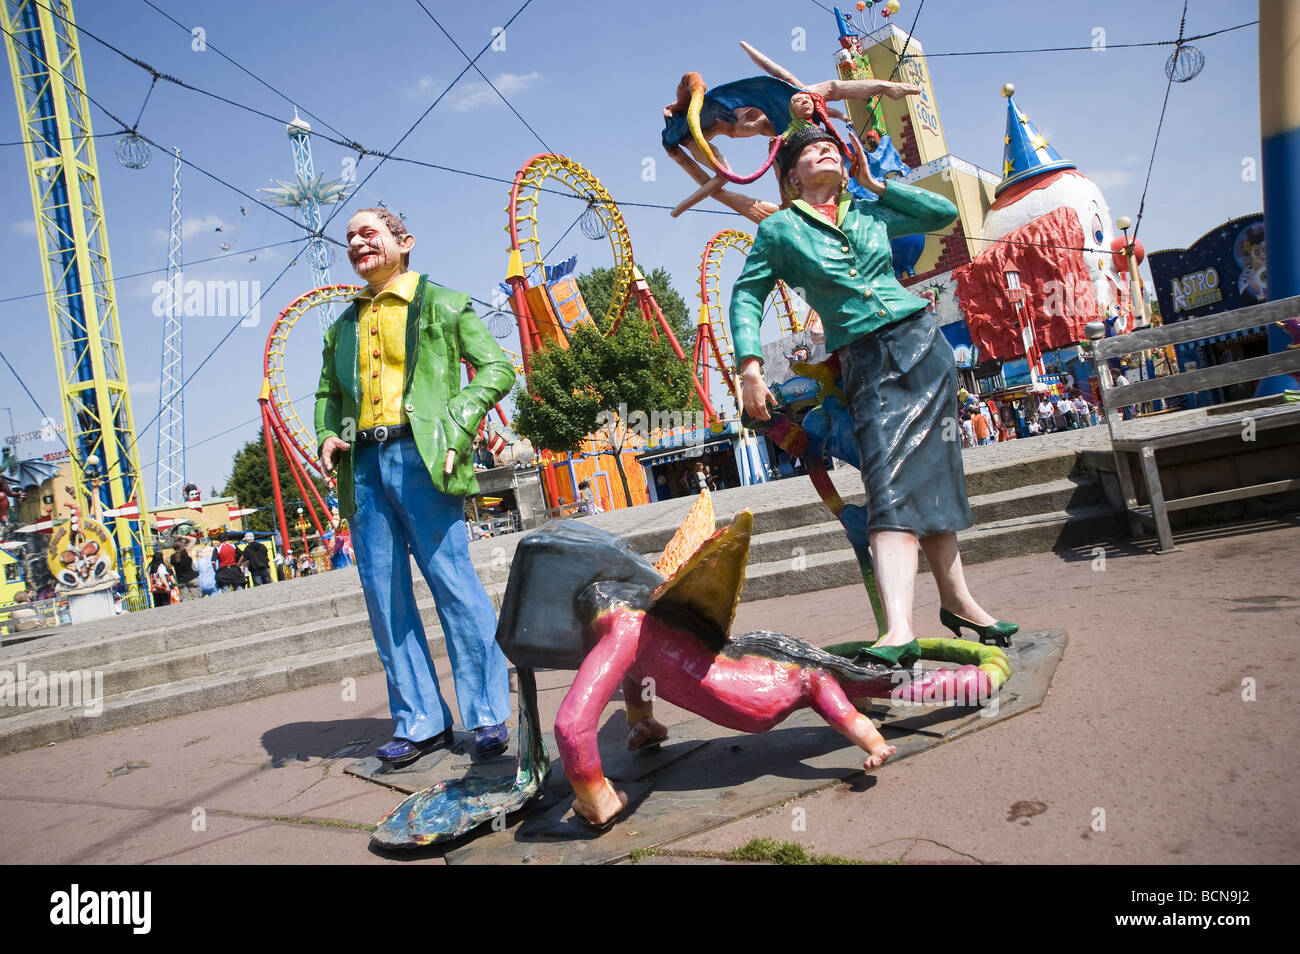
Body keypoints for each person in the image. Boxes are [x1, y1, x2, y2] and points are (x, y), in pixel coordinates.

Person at [730, 127, 1016, 663]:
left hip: (923, 347)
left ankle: (958, 600)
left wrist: (876, 184)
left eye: (832, 147)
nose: (826, 150)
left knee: (935, 478)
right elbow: (747, 295)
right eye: (810, 150)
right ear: (790, 178)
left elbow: (941, 213)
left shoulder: (869, 212)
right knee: (888, 483)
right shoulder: (781, 230)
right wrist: (750, 367)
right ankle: (900, 627)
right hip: (866, 359)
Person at [316, 207, 514, 765]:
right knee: (384, 597)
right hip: (363, 465)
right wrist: (329, 433)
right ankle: (419, 720)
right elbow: (329, 394)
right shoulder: (341, 327)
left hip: (423, 456)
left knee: (453, 582)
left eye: (368, 233)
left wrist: (459, 419)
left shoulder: (445, 303)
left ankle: (487, 713)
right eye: (349, 238)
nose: (357, 243)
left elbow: (497, 368)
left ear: (404, 241)